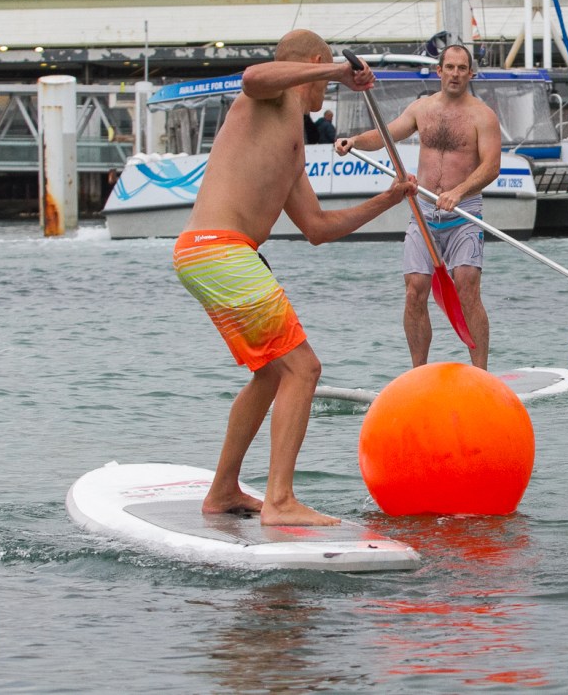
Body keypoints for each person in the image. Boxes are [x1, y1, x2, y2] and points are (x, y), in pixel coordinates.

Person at [173, 29, 417, 526]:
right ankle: (280, 501)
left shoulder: (291, 142)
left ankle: (222, 491)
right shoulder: (272, 96)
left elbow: (319, 229)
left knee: (269, 375)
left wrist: (388, 200)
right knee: (303, 370)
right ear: (312, 64)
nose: (327, 91)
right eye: (324, 79)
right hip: (219, 251)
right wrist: (337, 71)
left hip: (211, 255)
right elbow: (252, 75)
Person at [336, 43, 500, 369]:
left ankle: (481, 374)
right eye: (449, 67)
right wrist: (354, 142)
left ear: (470, 73)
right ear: (439, 71)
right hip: (423, 213)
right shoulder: (421, 108)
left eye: (461, 68)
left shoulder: (483, 116)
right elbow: (386, 135)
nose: (455, 73)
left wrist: (460, 190)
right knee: (415, 290)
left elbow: (491, 167)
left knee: (467, 288)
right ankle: (419, 373)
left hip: (463, 214)